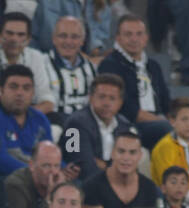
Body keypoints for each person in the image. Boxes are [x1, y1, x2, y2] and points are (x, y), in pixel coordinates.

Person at [98, 14, 171, 148]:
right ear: (118, 38)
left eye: (139, 34)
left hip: (157, 120)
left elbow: (166, 101)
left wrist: (176, 119)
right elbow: (125, 108)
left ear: (146, 38)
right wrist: (163, 122)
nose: (134, 39)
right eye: (128, 34)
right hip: (129, 124)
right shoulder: (110, 65)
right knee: (166, 129)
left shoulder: (153, 65)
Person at [0, 64, 54, 178]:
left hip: (37, 178)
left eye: (26, 88)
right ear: (1, 90)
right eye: (13, 87)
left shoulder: (40, 119)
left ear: (33, 93)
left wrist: (64, 169)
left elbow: (50, 155)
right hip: (3, 182)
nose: (20, 93)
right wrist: (34, 173)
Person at [81, 129, 159, 208]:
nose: (126, 158)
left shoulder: (148, 187)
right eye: (121, 151)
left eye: (132, 153)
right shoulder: (92, 186)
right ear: (112, 153)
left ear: (140, 156)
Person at [0, 11, 55, 113]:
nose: (14, 39)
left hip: (27, 118)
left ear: (28, 39)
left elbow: (47, 101)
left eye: (21, 35)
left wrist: (26, 118)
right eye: (9, 33)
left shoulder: (36, 57)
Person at [61, 73, 132, 183]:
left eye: (112, 98)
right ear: (91, 98)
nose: (106, 103)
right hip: (82, 184)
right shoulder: (74, 125)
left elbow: (129, 166)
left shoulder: (125, 126)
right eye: (102, 97)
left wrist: (103, 165)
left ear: (120, 103)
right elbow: (81, 165)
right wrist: (112, 169)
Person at [40, 15, 99, 127]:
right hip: (55, 124)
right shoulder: (42, 64)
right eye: (63, 36)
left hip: (86, 124)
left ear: (82, 41)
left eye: (74, 37)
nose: (68, 41)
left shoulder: (91, 68)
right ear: (54, 39)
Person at [6, 140, 66, 208]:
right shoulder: (15, 185)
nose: (53, 172)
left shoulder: (61, 184)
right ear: (31, 165)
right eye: (46, 166)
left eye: (56, 166)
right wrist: (50, 198)